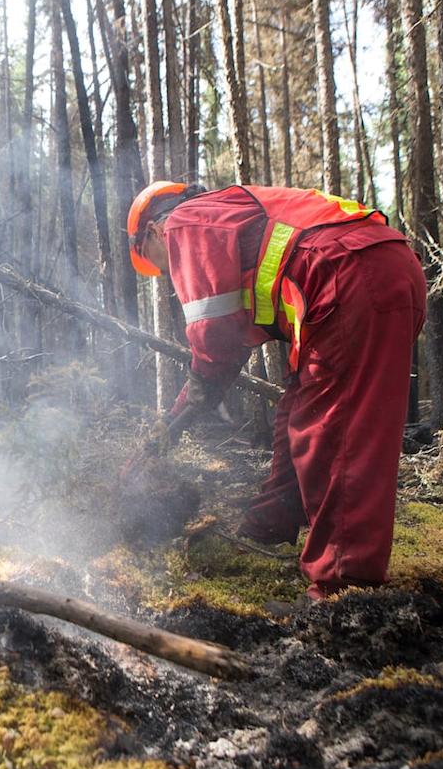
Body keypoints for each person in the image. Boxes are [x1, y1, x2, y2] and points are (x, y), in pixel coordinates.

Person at [127, 181, 426, 600]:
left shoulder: (187, 221)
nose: (164, 275)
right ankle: (267, 528)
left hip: (345, 274)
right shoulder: (225, 214)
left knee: (334, 432)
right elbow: (230, 335)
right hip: (379, 267)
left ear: (154, 231)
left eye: (156, 264)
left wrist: (182, 414)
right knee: (298, 411)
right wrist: (182, 410)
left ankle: (345, 589)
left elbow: (216, 338)